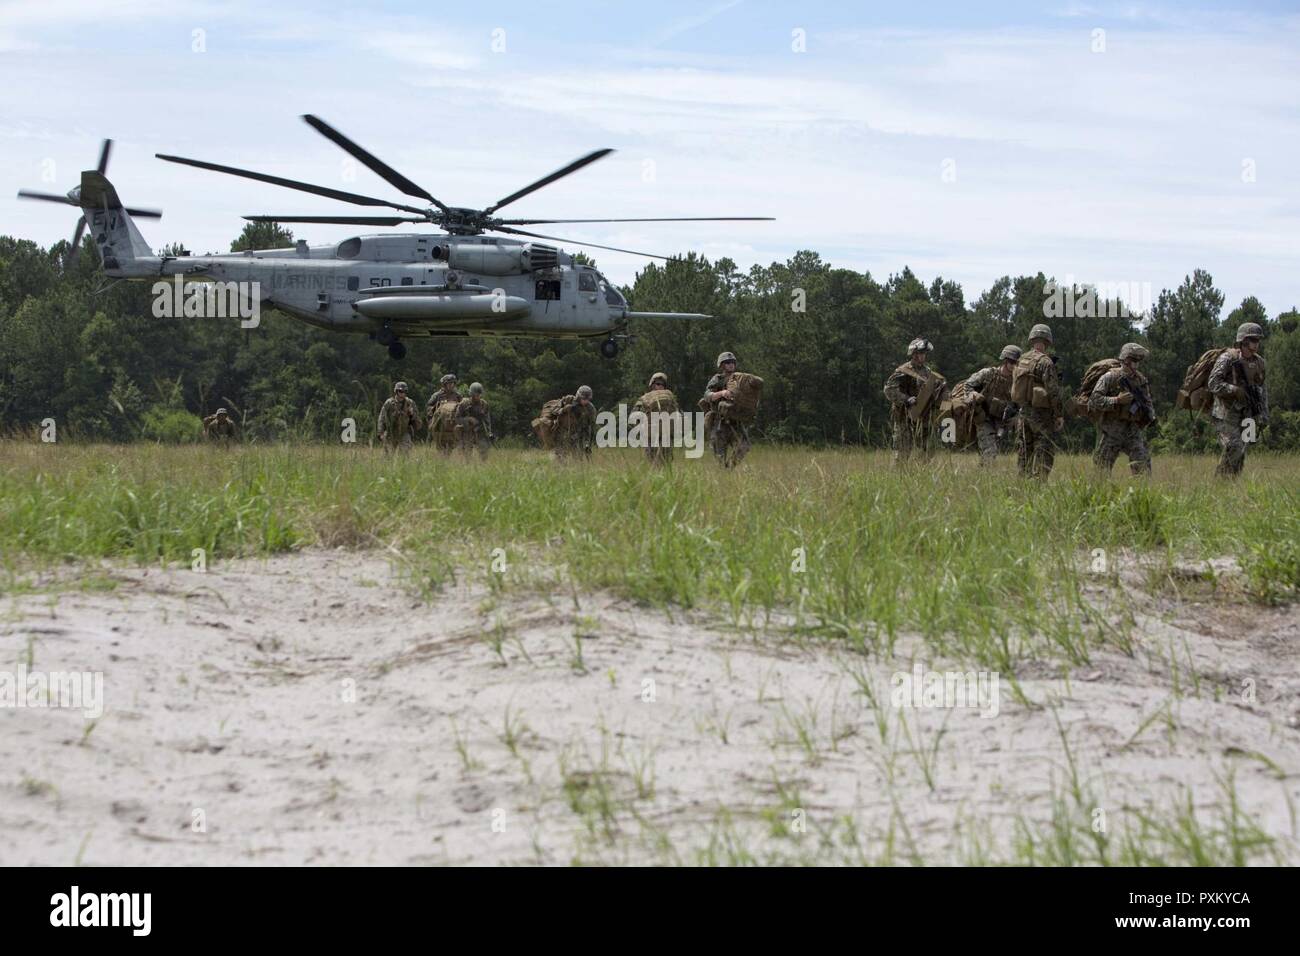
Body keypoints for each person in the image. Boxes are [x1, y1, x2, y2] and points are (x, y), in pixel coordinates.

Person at [1208, 322, 1269, 478]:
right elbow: (1213, 383)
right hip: (1226, 413)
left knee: (1242, 452)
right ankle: (1220, 481)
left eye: (1258, 340)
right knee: (1233, 446)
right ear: (1243, 340)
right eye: (1253, 340)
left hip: (1248, 415)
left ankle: (1232, 485)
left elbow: (1262, 391)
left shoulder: (1260, 363)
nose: (1256, 344)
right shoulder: (1228, 358)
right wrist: (1234, 390)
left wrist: (1263, 415)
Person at [1088, 343, 1154, 476]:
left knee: (1143, 467)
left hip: (1133, 431)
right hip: (1112, 430)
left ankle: (1142, 495)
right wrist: (1117, 400)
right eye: (1133, 361)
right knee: (1101, 470)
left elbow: (1148, 401)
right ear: (1125, 359)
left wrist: (1149, 415)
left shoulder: (1141, 380)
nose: (1136, 365)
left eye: (1138, 361)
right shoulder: (1109, 377)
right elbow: (1094, 400)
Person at [883, 338, 949, 466]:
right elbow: (888, 390)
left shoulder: (927, 371)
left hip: (923, 417)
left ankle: (919, 472)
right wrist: (906, 399)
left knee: (930, 447)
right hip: (904, 417)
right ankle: (898, 477)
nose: (923, 356)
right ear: (913, 354)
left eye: (924, 353)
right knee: (902, 453)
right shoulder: (903, 371)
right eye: (920, 353)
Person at [1015, 324, 1064, 479]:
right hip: (1041, 417)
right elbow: (1053, 392)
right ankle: (1038, 486)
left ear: (1032, 339)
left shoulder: (1022, 360)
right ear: (1048, 341)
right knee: (1044, 451)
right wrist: (1058, 415)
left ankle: (1022, 485)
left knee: (1024, 452)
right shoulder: (1046, 362)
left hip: (1023, 414)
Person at [963, 345, 1021, 464]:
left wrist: (1014, 411)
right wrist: (974, 396)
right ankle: (985, 475)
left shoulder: (1017, 381)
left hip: (1002, 421)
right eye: (1011, 361)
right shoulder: (988, 374)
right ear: (1005, 360)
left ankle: (982, 474)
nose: (1014, 365)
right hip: (984, 418)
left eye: (1016, 362)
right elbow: (968, 385)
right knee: (990, 452)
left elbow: (1020, 402)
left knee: (990, 451)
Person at [702, 351, 752, 468]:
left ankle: (730, 467)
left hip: (736, 422)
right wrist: (722, 393)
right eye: (727, 362)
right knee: (719, 455)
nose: (731, 365)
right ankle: (723, 472)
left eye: (732, 362)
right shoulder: (718, 379)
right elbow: (707, 395)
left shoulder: (740, 379)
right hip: (720, 423)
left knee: (744, 446)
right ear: (722, 365)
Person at [633, 372, 677, 467]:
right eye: (659, 384)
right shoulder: (670, 396)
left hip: (650, 436)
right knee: (665, 464)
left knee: (652, 464)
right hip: (666, 435)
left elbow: (634, 417)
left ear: (651, 384)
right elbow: (678, 414)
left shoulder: (644, 398)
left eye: (660, 384)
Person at [551, 385, 597, 461]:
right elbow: (554, 410)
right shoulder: (568, 400)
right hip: (562, 433)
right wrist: (563, 410)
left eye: (588, 399)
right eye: (584, 398)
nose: (586, 401)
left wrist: (587, 443)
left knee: (577, 459)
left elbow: (590, 427)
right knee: (560, 457)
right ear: (578, 396)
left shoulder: (590, 409)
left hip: (578, 436)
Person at [378, 382, 420, 453]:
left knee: (404, 455)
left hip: (404, 432)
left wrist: (412, 414)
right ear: (396, 391)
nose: (402, 393)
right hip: (390, 432)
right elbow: (381, 418)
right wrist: (380, 432)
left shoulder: (410, 403)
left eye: (404, 391)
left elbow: (417, 419)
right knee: (389, 456)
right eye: (400, 391)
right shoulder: (389, 403)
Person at [426, 374, 462, 456]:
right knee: (439, 444)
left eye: (453, 383)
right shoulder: (437, 395)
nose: (451, 385)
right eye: (449, 383)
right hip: (439, 424)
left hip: (452, 425)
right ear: (444, 384)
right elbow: (429, 407)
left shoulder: (457, 395)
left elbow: (462, 408)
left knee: (451, 447)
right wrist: (435, 410)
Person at [454, 382, 493, 459]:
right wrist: (468, 419)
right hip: (467, 432)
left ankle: (482, 468)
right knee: (467, 456)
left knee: (484, 453)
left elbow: (487, 420)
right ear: (471, 394)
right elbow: (457, 418)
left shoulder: (484, 404)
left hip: (480, 432)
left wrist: (489, 432)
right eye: (476, 394)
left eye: (479, 394)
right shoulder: (464, 404)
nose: (478, 396)